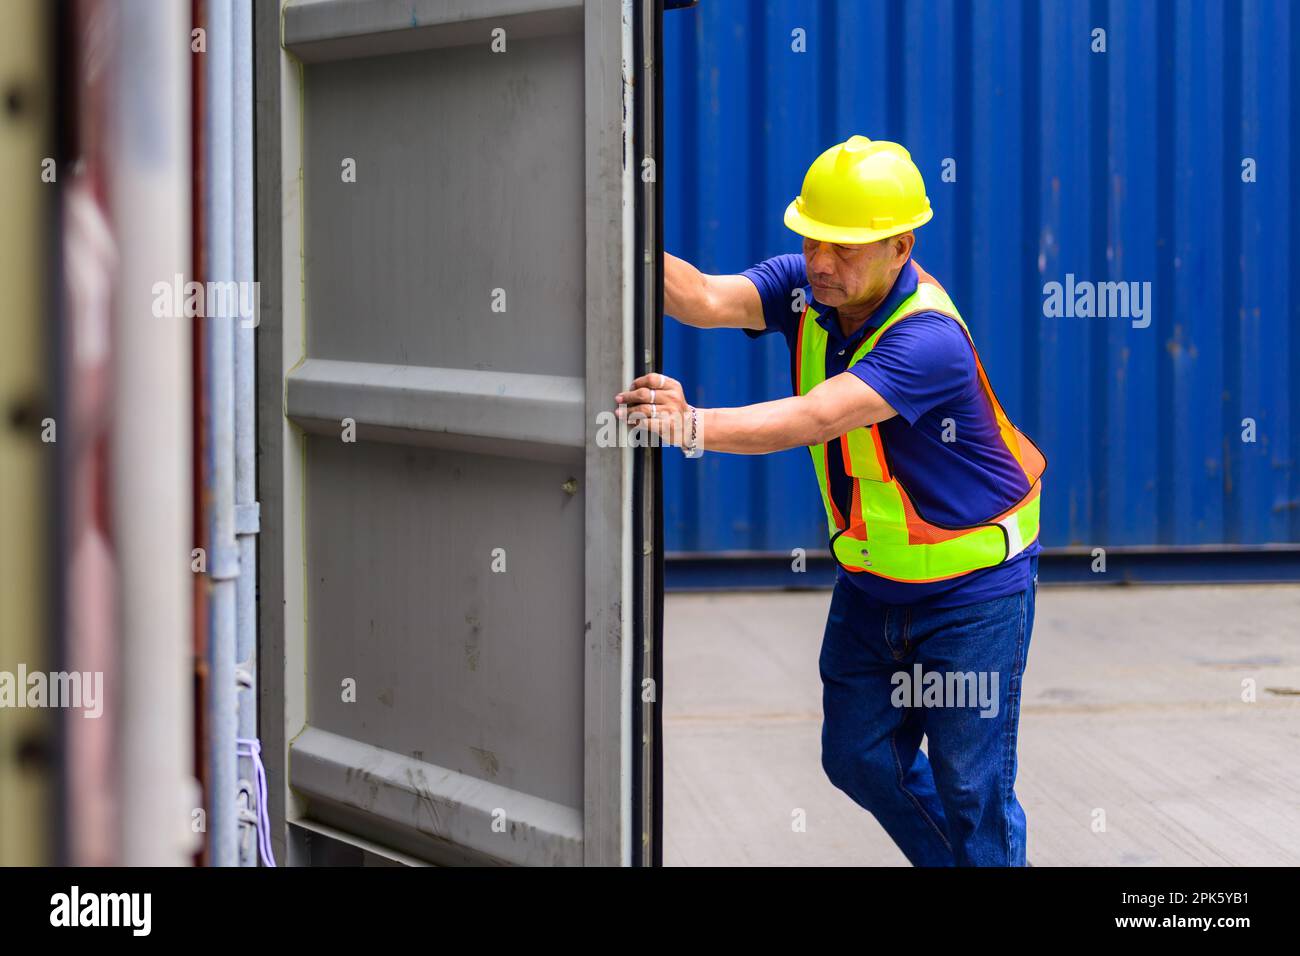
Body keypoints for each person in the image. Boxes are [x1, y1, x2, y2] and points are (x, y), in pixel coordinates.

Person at [615, 135, 1047, 866]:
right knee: (856, 756)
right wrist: (610, 219)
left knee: (971, 789)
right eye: (815, 239)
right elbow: (701, 297)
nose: (822, 261)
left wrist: (686, 424)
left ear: (901, 247)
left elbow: (811, 418)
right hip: (874, 585)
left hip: (973, 597)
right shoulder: (807, 289)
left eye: (846, 249)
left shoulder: (928, 341)